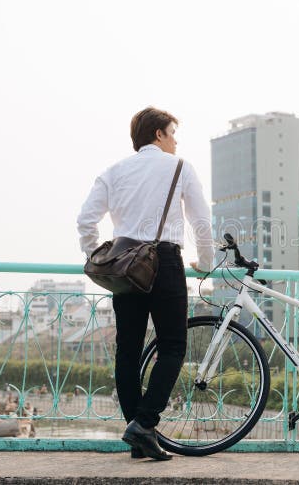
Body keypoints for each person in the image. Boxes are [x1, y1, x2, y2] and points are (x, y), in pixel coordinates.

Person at [77, 107, 213, 460]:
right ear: (158, 134)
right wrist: (206, 263)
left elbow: (86, 221)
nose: (175, 141)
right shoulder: (179, 167)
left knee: (128, 350)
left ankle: (138, 434)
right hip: (164, 261)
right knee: (172, 346)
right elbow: (201, 220)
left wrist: (98, 255)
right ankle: (145, 423)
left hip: (124, 266)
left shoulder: (114, 171)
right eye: (172, 133)